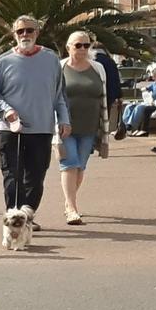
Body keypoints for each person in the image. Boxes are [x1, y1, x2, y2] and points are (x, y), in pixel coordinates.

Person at [0, 15, 69, 216]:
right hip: (10, 129)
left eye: (29, 30)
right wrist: (7, 111)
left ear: (37, 33)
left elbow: (60, 94)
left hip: (41, 128)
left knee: (36, 177)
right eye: (20, 31)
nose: (25, 34)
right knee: (11, 175)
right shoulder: (3, 61)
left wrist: (64, 119)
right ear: (14, 35)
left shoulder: (51, 59)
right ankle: (14, 217)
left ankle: (27, 215)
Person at [57, 32, 108, 224]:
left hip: (90, 125)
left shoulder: (98, 68)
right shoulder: (60, 68)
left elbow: (104, 96)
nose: (83, 49)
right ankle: (71, 208)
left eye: (87, 45)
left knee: (80, 166)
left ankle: (69, 201)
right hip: (65, 126)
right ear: (68, 47)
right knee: (69, 163)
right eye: (78, 45)